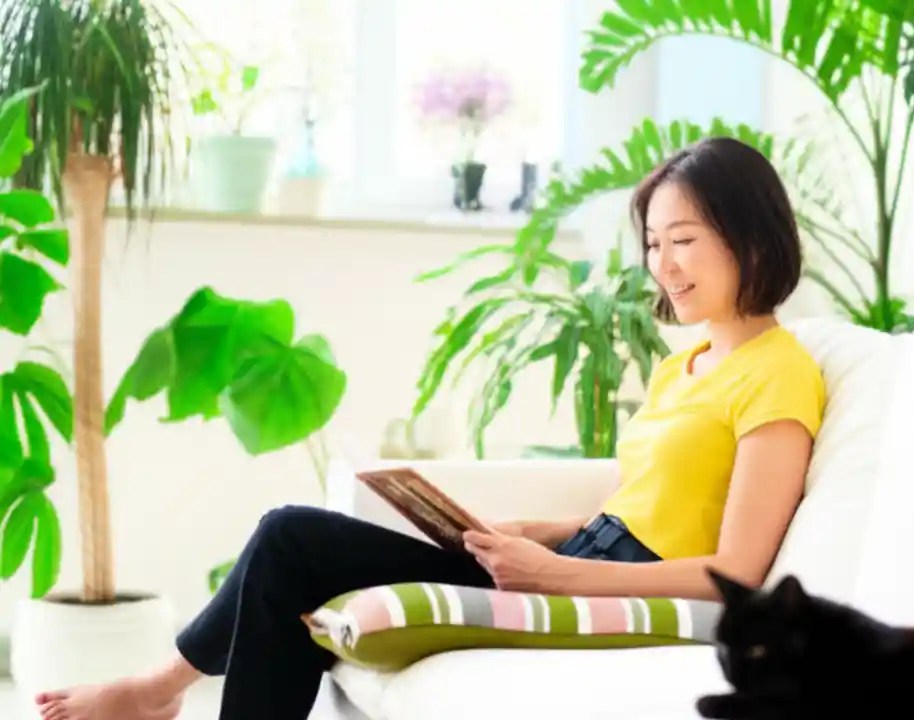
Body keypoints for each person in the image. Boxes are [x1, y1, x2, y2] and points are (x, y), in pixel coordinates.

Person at [33, 136, 827, 720]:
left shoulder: (781, 373)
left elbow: (737, 569)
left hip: (604, 592)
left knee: (292, 543)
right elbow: (649, 504)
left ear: (751, 236)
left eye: (684, 240)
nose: (663, 264)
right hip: (579, 561)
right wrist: (543, 535)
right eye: (653, 243)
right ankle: (156, 691)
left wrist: (560, 576)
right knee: (294, 542)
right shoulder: (679, 367)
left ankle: (156, 689)